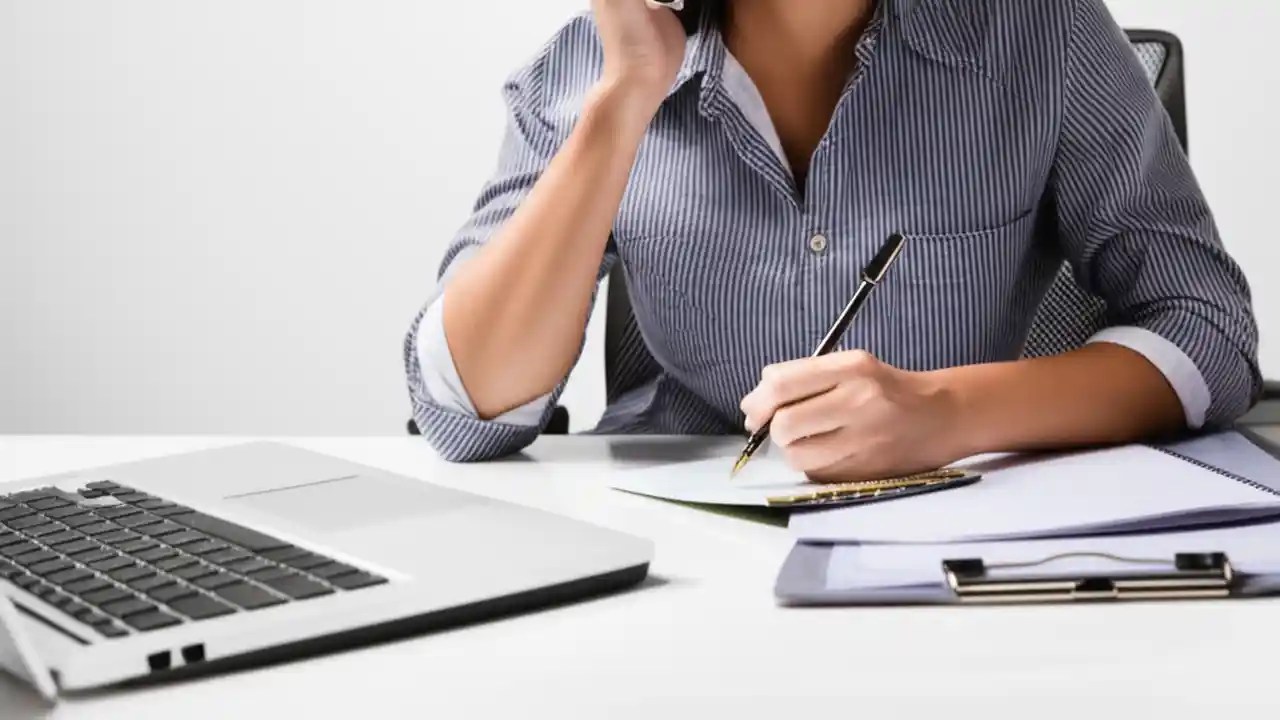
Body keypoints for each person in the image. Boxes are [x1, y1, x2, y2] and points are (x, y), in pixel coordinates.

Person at [404, 0, 1260, 481]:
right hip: (669, 553)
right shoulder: (586, 65)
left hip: (953, 548)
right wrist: (625, 95)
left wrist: (948, 415)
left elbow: (1207, 328)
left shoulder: (1042, 32)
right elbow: (461, 411)